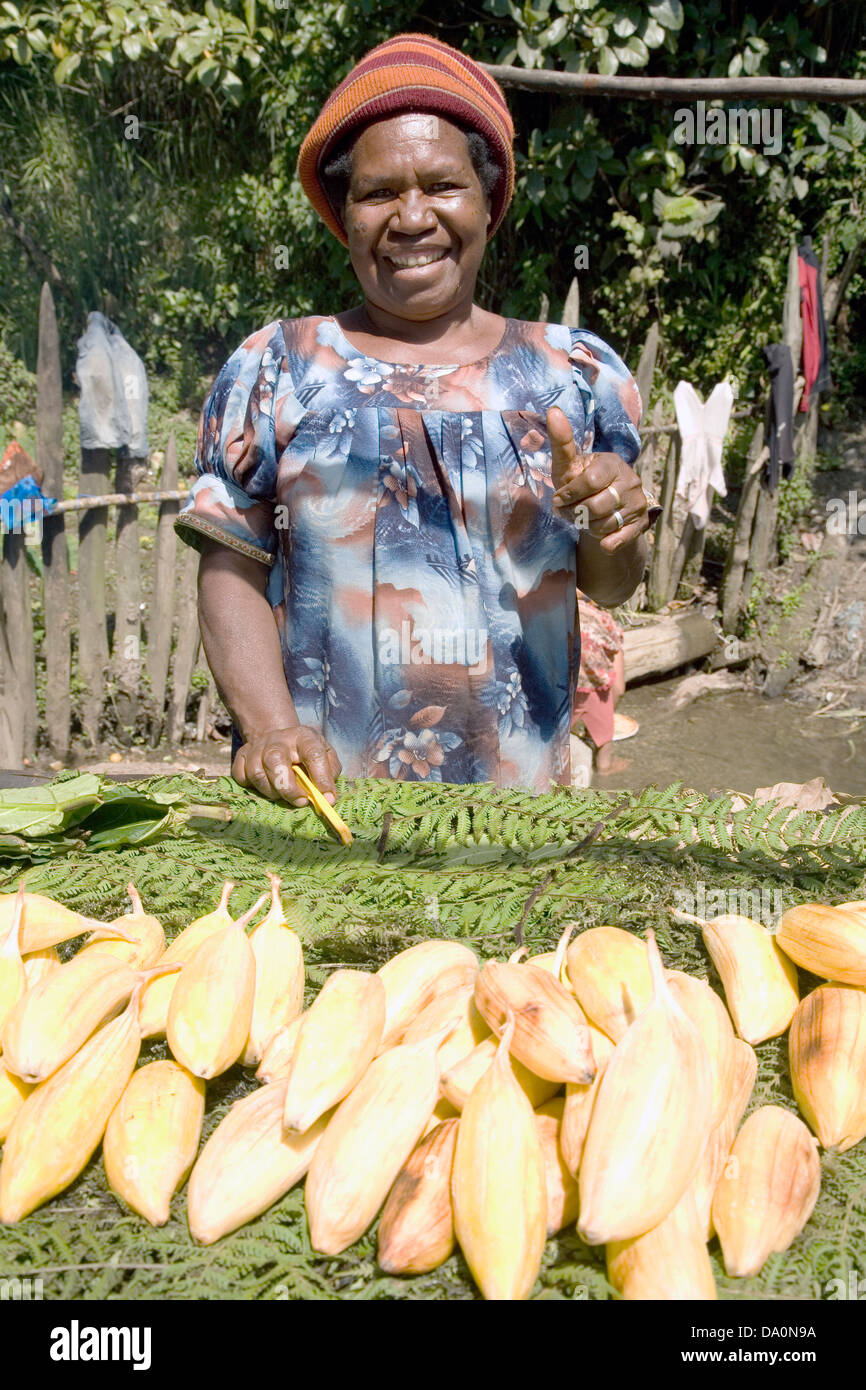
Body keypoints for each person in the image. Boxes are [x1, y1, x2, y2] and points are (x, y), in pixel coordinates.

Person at [175, 34, 654, 808]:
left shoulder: (573, 375)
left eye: (443, 185)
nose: (412, 217)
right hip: (319, 803)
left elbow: (612, 582)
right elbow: (230, 564)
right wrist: (267, 730)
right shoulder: (281, 368)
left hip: (518, 806)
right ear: (343, 211)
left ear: (489, 200)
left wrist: (609, 527)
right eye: (377, 193)